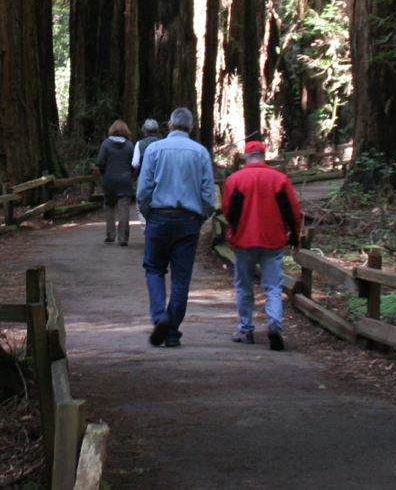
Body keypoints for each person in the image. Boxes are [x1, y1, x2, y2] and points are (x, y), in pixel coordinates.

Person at [134, 107, 215, 348]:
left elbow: (143, 190)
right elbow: (208, 196)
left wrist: (148, 214)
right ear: (191, 128)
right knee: (181, 277)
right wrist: (200, 218)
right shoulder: (201, 153)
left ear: (169, 125)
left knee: (154, 269)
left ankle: (160, 315)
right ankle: (171, 333)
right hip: (188, 219)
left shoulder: (154, 150)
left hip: (159, 216)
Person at [221, 139, 302, 350]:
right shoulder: (280, 179)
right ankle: (274, 324)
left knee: (244, 286)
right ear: (264, 156)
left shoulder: (234, 180)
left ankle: (246, 330)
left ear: (245, 156)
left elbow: (228, 210)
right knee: (273, 287)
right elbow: (293, 210)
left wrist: (235, 229)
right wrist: (295, 237)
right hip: (273, 239)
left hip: (244, 240)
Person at [95, 120, 137, 245]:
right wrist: (130, 174)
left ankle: (110, 234)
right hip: (125, 180)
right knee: (124, 208)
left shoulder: (106, 144)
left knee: (109, 206)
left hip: (109, 179)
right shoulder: (129, 145)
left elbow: (100, 162)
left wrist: (104, 173)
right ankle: (123, 238)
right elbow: (134, 163)